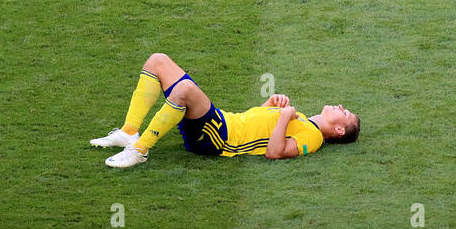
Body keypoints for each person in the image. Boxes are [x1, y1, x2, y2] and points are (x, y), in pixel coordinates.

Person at [90, 52, 359, 168]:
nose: (341, 107)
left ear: (337, 130)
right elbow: (252, 124)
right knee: (157, 61)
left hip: (219, 138)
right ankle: (129, 133)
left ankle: (140, 150)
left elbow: (274, 153)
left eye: (345, 114)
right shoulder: (303, 120)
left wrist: (285, 117)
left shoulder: (313, 139)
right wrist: (269, 107)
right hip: (221, 124)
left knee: (184, 91)